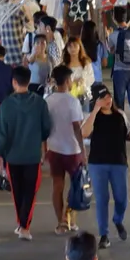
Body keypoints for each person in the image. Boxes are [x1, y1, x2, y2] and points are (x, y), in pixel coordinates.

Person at [0, 66, 54, 241]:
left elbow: (2, 133)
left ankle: (22, 224)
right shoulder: (40, 103)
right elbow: (46, 129)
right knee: (30, 192)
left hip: (12, 157)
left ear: (14, 82)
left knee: (17, 193)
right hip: (32, 156)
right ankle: (24, 226)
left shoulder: (6, 105)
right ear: (29, 81)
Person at [85, 82, 129, 248]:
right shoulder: (92, 117)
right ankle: (104, 234)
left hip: (118, 162)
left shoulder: (120, 115)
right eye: (102, 98)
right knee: (102, 199)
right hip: (97, 163)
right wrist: (95, 110)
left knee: (121, 198)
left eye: (108, 96)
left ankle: (118, 219)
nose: (107, 100)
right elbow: (84, 132)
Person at [45, 65, 88, 236]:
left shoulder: (48, 101)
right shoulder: (72, 101)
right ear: (68, 81)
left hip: (54, 148)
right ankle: (70, 219)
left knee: (57, 186)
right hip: (72, 150)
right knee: (76, 186)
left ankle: (60, 222)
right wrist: (83, 151)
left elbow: (44, 127)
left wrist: (44, 148)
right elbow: (77, 127)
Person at [64, 35, 96, 105]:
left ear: (80, 47)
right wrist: (72, 81)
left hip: (84, 95)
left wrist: (83, 80)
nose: (72, 48)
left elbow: (92, 78)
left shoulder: (86, 62)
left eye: (75, 46)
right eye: (70, 46)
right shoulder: (64, 64)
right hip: (68, 97)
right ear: (67, 48)